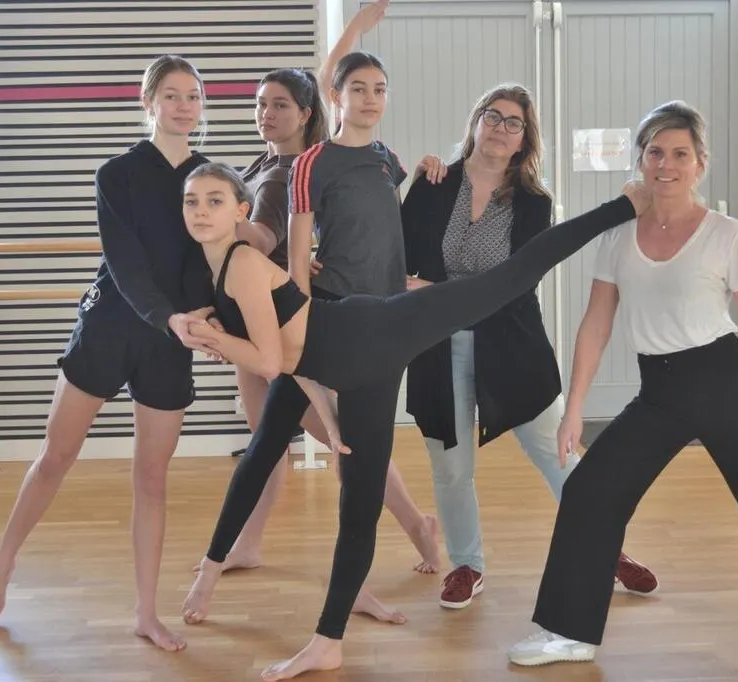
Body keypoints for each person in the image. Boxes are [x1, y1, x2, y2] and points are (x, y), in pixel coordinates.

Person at [176, 160, 647, 680]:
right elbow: (290, 358)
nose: (201, 211)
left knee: (512, 277)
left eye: (214, 200)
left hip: (377, 331)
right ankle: (327, 642)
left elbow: (265, 360)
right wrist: (330, 423)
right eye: (191, 201)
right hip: (356, 375)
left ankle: (626, 205)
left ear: (241, 211)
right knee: (359, 507)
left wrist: (212, 338)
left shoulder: (241, 264)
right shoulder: (213, 274)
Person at [507, 100, 738, 669]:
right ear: (641, 160)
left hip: (726, 380)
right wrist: (574, 410)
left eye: (679, 154)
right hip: (660, 388)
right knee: (591, 490)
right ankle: (568, 632)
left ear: (699, 164)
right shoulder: (618, 237)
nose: (666, 164)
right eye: (656, 152)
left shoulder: (727, 236)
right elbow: (597, 323)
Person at [0, 55, 216, 652]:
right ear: (148, 102)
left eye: (193, 96)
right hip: (112, 324)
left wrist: (211, 323)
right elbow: (126, 263)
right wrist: (172, 317)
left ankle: (145, 611)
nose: (184, 106)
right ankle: (3, 563)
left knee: (152, 477)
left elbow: (211, 262)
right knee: (57, 456)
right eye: (171, 95)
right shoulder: (117, 173)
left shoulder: (212, 179)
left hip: (172, 339)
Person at [400, 82, 659, 610]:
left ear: (524, 140)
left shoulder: (534, 203)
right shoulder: (431, 184)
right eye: (492, 116)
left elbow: (519, 278)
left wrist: (435, 291)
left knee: (558, 453)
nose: (499, 127)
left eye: (513, 122)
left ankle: (607, 549)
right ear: (475, 123)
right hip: (435, 345)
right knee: (451, 467)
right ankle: (467, 564)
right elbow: (397, 261)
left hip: (513, 345)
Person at [197, 66, 442, 580]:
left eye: (280, 104)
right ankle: (249, 541)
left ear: (308, 112)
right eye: (261, 103)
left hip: (297, 318)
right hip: (256, 316)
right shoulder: (271, 161)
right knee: (267, 434)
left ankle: (417, 522)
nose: (268, 113)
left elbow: (266, 239)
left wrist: (215, 221)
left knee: (339, 437)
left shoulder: (294, 168)